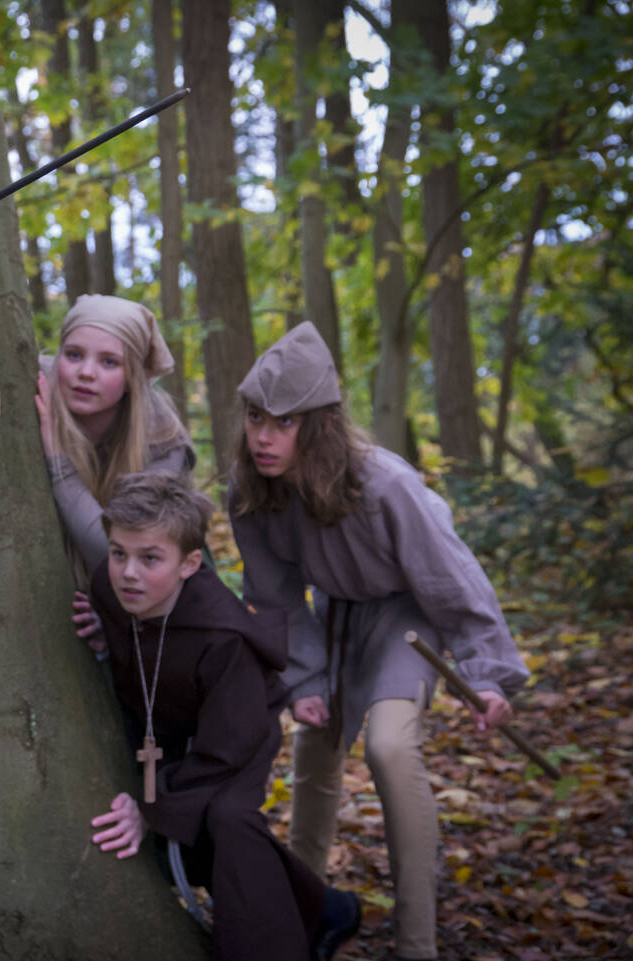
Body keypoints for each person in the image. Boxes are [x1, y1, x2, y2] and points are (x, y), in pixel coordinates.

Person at [228, 322, 531, 961]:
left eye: (281, 422)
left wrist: (487, 673)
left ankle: (416, 944)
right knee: (314, 741)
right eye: (255, 417)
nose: (262, 436)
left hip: (406, 620)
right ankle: (303, 917)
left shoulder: (386, 484)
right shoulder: (251, 493)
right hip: (334, 618)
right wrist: (304, 681)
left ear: (320, 425)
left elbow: (452, 578)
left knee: (391, 750)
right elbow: (276, 596)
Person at [81, 472, 361, 961]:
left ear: (190, 563)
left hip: (236, 736)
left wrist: (151, 808)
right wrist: (107, 640)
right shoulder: (110, 593)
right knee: (196, 831)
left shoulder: (224, 640)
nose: (127, 572)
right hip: (166, 728)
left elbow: (227, 748)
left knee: (228, 821)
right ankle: (327, 909)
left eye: (150, 559)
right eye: (118, 552)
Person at [34, 294, 193, 587]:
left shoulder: (163, 442)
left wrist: (60, 462)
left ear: (133, 376)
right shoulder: (31, 387)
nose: (86, 373)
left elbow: (120, 557)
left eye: (109, 362)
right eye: (73, 355)